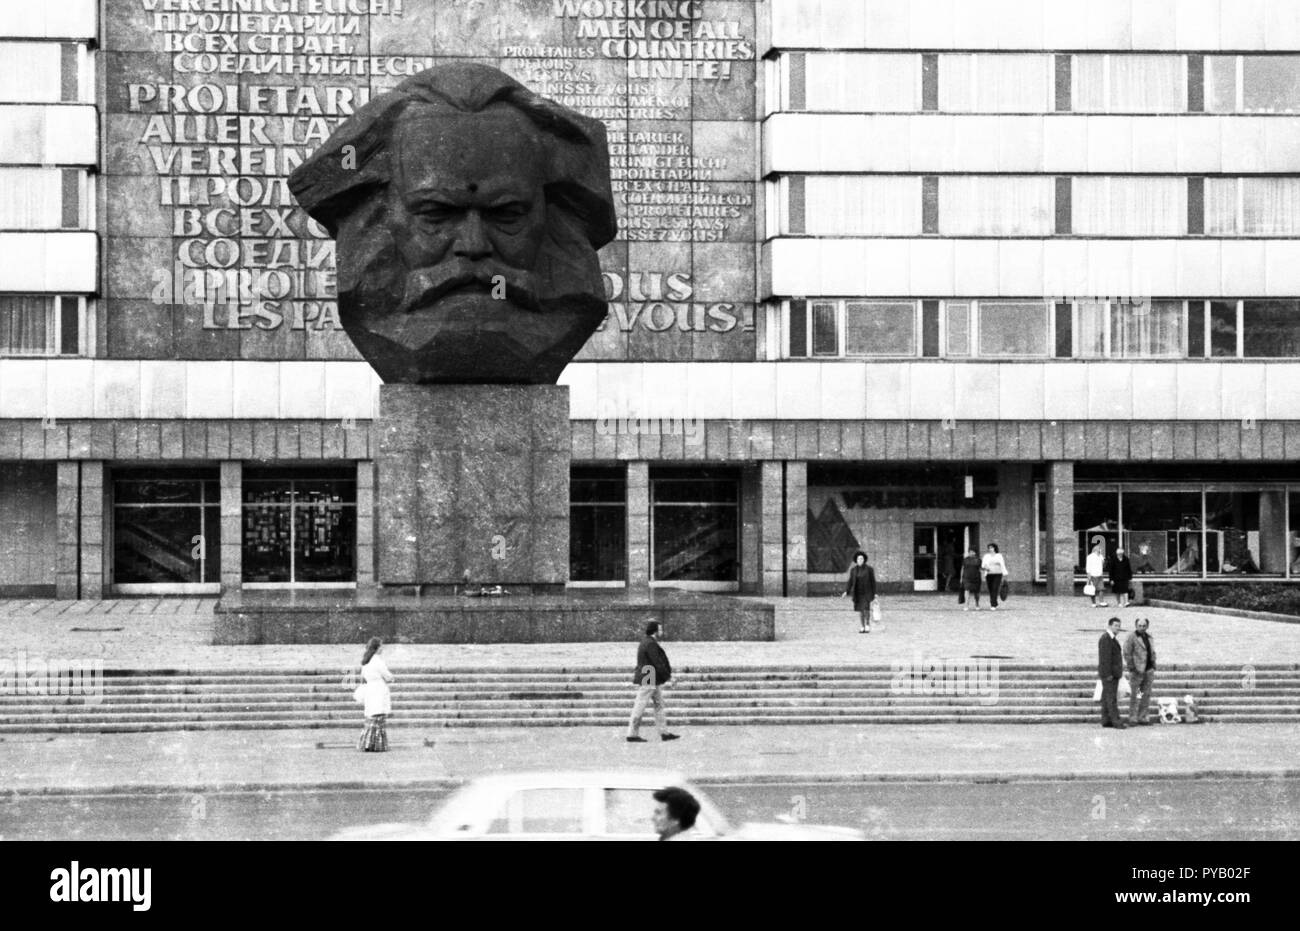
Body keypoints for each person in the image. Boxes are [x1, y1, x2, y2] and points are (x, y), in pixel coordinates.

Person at [626, 622, 679, 743]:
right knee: (641, 706)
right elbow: (658, 663)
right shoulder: (650, 644)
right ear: (655, 631)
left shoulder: (646, 641)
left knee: (658, 704)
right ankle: (632, 734)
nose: (662, 631)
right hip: (650, 676)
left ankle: (664, 733)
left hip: (650, 676)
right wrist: (669, 677)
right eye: (660, 629)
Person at [357, 637, 395, 752]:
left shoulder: (366, 661)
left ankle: (367, 743)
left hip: (370, 689)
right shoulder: (378, 661)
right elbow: (388, 676)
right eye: (381, 646)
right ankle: (377, 744)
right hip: (379, 689)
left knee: (371, 717)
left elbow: (363, 676)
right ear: (377, 648)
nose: (382, 648)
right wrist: (392, 678)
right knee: (379, 717)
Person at [1122, 617, 1157, 726]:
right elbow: (1127, 652)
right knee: (1136, 696)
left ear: (1147, 626)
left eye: (1144, 626)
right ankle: (1133, 718)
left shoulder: (1149, 636)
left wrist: (1153, 664)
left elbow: (1151, 651)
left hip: (1148, 670)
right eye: (1140, 626)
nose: (1142, 628)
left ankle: (1143, 717)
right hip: (1137, 671)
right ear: (1136, 626)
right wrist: (1132, 667)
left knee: (1145, 694)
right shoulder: (1132, 637)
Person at [1097, 617, 1127, 729]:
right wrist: (1108, 674)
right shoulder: (1106, 638)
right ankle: (1116, 721)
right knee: (1111, 699)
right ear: (1109, 626)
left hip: (1112, 674)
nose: (1118, 628)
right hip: (1110, 675)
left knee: (1106, 698)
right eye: (1115, 625)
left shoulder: (1111, 638)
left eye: (1119, 626)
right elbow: (1105, 658)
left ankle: (1106, 720)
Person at [841, 550, 878, 633]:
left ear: (864, 560)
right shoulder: (853, 570)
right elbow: (850, 581)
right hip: (858, 593)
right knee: (860, 609)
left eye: (861, 559)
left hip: (867, 592)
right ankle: (862, 626)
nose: (860, 560)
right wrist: (846, 591)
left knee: (866, 608)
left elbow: (873, 582)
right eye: (858, 559)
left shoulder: (869, 569)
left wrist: (875, 593)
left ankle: (867, 625)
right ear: (856, 560)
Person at [980, 543, 1007, 611]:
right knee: (991, 589)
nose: (990, 549)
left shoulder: (999, 556)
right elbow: (983, 565)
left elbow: (1002, 564)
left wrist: (1004, 573)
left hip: (997, 574)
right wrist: (985, 567)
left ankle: (993, 604)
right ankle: (994, 602)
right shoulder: (986, 556)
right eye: (989, 548)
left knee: (995, 588)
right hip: (989, 574)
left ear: (995, 548)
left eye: (991, 547)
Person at [1085, 539, 1109, 607]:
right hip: (1093, 575)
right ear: (1096, 550)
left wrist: (1104, 562)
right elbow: (1088, 566)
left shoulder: (1101, 556)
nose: (1100, 550)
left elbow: (1103, 565)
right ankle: (1093, 603)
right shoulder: (1090, 557)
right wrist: (1088, 575)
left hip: (1100, 575)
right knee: (1092, 590)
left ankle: (1101, 601)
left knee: (1101, 589)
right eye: (1099, 549)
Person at [960, 547, 983, 611]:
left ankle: (977, 603)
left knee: (977, 592)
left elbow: (980, 568)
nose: (971, 553)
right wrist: (961, 578)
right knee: (966, 590)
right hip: (966, 577)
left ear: (975, 552)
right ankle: (966, 605)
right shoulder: (965, 559)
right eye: (970, 551)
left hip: (976, 577)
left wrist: (985, 570)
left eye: (973, 552)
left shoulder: (978, 560)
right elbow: (962, 568)